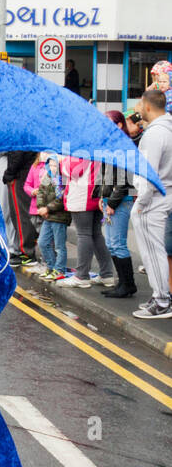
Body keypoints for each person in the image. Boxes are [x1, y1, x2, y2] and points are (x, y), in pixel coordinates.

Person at [129, 85, 172, 319]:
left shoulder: (154, 134)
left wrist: (142, 203)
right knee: (156, 251)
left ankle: (162, 301)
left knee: (152, 252)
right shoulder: (168, 128)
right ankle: (160, 297)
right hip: (165, 194)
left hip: (153, 198)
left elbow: (148, 173)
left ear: (147, 106)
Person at [97, 111, 138, 299]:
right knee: (111, 244)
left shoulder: (124, 147)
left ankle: (128, 285)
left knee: (118, 244)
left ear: (119, 125)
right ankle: (122, 283)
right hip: (109, 200)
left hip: (121, 201)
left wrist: (111, 202)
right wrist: (100, 197)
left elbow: (124, 181)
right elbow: (105, 175)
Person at [63, 155, 116, 289]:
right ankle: (107, 274)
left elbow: (73, 170)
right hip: (98, 195)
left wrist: (63, 161)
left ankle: (81, 276)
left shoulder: (82, 149)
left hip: (83, 195)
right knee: (96, 233)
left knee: (83, 234)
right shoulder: (101, 149)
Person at [34, 152, 71, 281]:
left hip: (59, 217)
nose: (53, 168)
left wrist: (47, 208)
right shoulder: (47, 177)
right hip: (48, 216)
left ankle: (59, 269)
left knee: (59, 246)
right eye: (50, 165)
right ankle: (51, 267)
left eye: (55, 165)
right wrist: (40, 207)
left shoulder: (63, 179)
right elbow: (40, 193)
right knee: (42, 242)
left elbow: (61, 199)